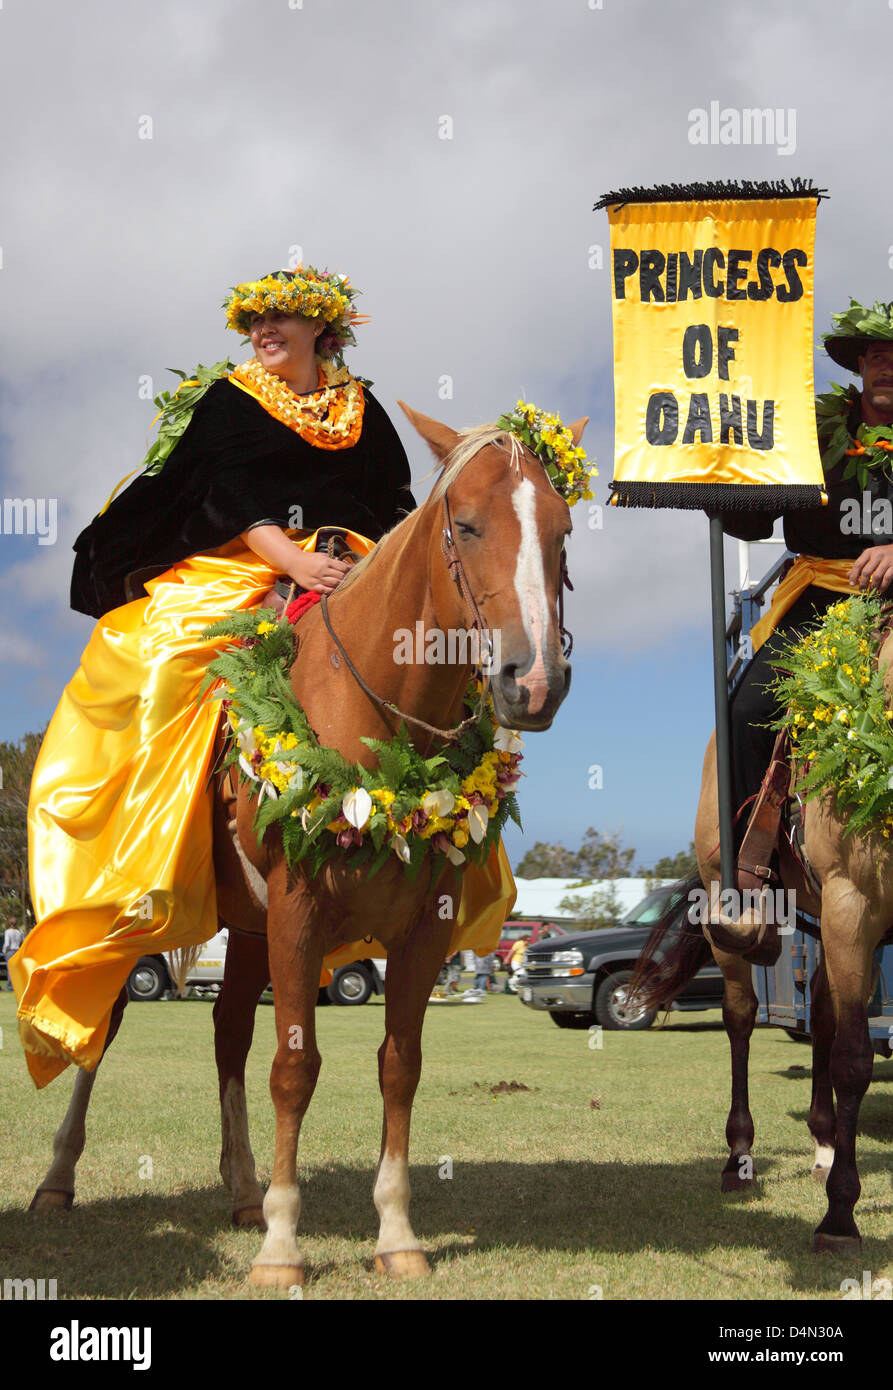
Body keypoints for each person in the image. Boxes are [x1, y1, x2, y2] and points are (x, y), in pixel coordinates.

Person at [12, 264, 429, 1088]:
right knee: (158, 658)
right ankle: (130, 865)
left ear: (324, 330)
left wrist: (372, 569)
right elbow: (224, 494)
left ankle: (434, 870)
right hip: (240, 568)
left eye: (279, 319)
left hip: (354, 563)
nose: (263, 331)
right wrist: (294, 564)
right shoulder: (227, 398)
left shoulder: (362, 406)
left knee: (431, 669)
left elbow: (395, 497)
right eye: (254, 321)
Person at [719, 301, 893, 839]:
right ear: (860, 366)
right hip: (816, 603)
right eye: (878, 357)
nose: (888, 368)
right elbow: (750, 525)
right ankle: (748, 872)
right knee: (746, 711)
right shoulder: (810, 438)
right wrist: (723, 471)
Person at [3, 923, 24, 990]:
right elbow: (22, 942)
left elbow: (7, 944)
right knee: (17, 970)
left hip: (10, 951)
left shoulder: (8, 932)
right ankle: (18, 986)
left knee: (10, 970)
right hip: (17, 951)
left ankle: (10, 987)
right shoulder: (19, 932)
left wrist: (4, 951)